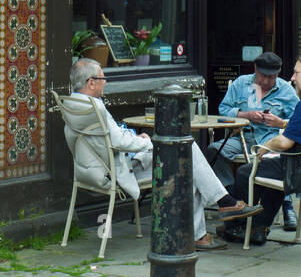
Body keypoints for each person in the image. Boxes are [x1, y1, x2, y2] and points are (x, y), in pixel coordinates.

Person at [66, 58, 259, 251]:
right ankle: (220, 205)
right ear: (91, 82)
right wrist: (147, 141)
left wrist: (135, 137)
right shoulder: (95, 107)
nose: (106, 82)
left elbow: (108, 139)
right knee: (186, 151)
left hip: (96, 168)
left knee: (186, 158)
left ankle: (209, 221)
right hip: (118, 171)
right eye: (103, 78)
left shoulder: (72, 104)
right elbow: (119, 142)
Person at [220, 51, 301, 246]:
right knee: (274, 170)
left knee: (248, 172)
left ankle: (235, 227)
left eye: (297, 73)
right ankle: (258, 228)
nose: (292, 78)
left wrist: (263, 148)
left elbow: (284, 143)